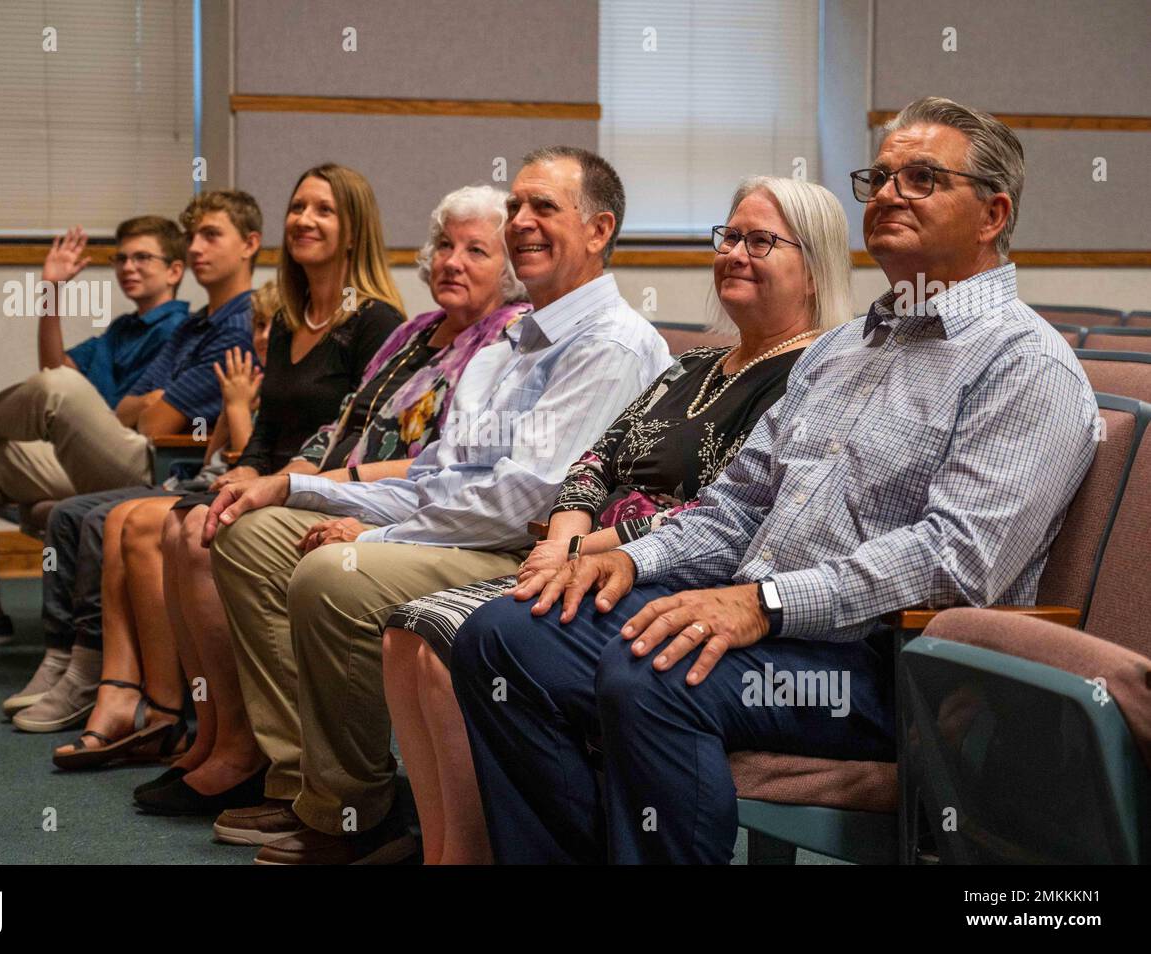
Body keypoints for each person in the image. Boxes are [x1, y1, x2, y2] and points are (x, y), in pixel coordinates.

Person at [449, 97, 1099, 864]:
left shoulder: (1024, 364)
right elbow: (733, 510)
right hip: (764, 627)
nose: (888, 193)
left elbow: (956, 561)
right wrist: (628, 560)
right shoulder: (841, 351)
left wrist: (765, 603)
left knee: (654, 675)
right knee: (503, 639)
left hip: (886, 670)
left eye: (921, 178)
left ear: (992, 214)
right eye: (881, 177)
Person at [204, 145, 673, 864]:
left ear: (600, 230)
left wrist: (378, 533)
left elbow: (525, 498)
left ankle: (350, 812)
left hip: (539, 550)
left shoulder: (607, 344)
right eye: (516, 205)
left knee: (336, 574)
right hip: (464, 527)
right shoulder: (509, 343)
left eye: (544, 207)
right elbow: (436, 473)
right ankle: (312, 779)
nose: (522, 221)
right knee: (251, 534)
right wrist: (294, 486)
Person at [383, 175, 853, 864]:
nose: (735, 254)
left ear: (812, 267)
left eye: (761, 242)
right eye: (729, 238)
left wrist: (585, 551)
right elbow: (592, 462)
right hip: (594, 557)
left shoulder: (814, 371)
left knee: (458, 644)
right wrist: (564, 539)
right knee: (412, 633)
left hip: (675, 573)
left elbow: (720, 515)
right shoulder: (692, 365)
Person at [127, 184, 528, 814]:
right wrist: (280, 475)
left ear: (509, 269)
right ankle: (252, 750)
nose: (452, 261)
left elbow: (440, 467)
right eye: (445, 246)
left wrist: (319, 489)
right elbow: (339, 427)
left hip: (395, 501)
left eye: (477, 251)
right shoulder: (417, 332)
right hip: (344, 488)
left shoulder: (504, 342)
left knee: (220, 536)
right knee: (215, 520)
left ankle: (287, 771)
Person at [21, 164, 409, 756]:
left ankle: (234, 738)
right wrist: (248, 467)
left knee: (173, 526)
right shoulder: (288, 320)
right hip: (271, 481)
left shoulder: (377, 321)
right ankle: (171, 714)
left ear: (354, 230)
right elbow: (269, 428)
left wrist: (276, 482)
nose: (304, 219)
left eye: (324, 211)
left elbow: (370, 439)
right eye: (298, 207)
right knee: (130, 521)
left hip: (327, 489)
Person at [0, 189, 262, 681]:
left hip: (164, 472)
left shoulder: (243, 323)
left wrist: (142, 408)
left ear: (250, 245)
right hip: (113, 450)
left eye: (210, 235)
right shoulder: (194, 325)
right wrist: (139, 405)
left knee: (62, 389)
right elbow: (131, 405)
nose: (196, 246)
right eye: (192, 235)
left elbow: (151, 421)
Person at [0, 218, 189, 647]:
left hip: (144, 462)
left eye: (142, 257)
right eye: (120, 258)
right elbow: (55, 368)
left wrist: (124, 410)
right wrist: (52, 292)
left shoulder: (186, 330)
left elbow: (140, 408)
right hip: (86, 456)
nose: (128, 266)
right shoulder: (121, 331)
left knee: (56, 391)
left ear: (175, 270)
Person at [0, 283, 274, 733]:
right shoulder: (244, 374)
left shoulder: (265, 385)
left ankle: (94, 664)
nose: (260, 337)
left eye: (269, 327)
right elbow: (214, 456)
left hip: (233, 494)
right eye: (257, 326)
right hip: (197, 478)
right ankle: (63, 651)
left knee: (102, 520)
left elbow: (250, 463)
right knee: (69, 513)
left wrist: (239, 406)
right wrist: (233, 407)